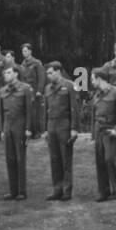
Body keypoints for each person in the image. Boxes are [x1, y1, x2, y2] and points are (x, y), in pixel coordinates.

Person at [91, 67, 116, 201]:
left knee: (110, 160)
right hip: (99, 132)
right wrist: (93, 136)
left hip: (110, 132)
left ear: (100, 79)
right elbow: (94, 116)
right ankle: (104, 191)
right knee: (100, 161)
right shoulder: (97, 94)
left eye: (93, 79)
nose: (91, 82)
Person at [0, 65, 33, 200]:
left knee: (20, 158)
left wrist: (28, 128)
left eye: (8, 72)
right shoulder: (2, 91)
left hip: (20, 123)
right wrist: (2, 129)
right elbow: (0, 112)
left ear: (16, 74)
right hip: (8, 124)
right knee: (10, 158)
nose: (5, 75)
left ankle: (21, 191)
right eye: (4, 73)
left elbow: (29, 110)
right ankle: (12, 190)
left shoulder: (25, 88)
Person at [43, 61, 77, 201]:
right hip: (52, 125)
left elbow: (74, 108)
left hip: (64, 125)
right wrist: (45, 129)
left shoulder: (69, 85)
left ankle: (67, 190)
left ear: (58, 72)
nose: (49, 76)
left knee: (65, 159)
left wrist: (74, 128)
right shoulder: (47, 88)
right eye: (47, 74)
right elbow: (45, 110)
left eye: (51, 73)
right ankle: (57, 189)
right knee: (54, 159)